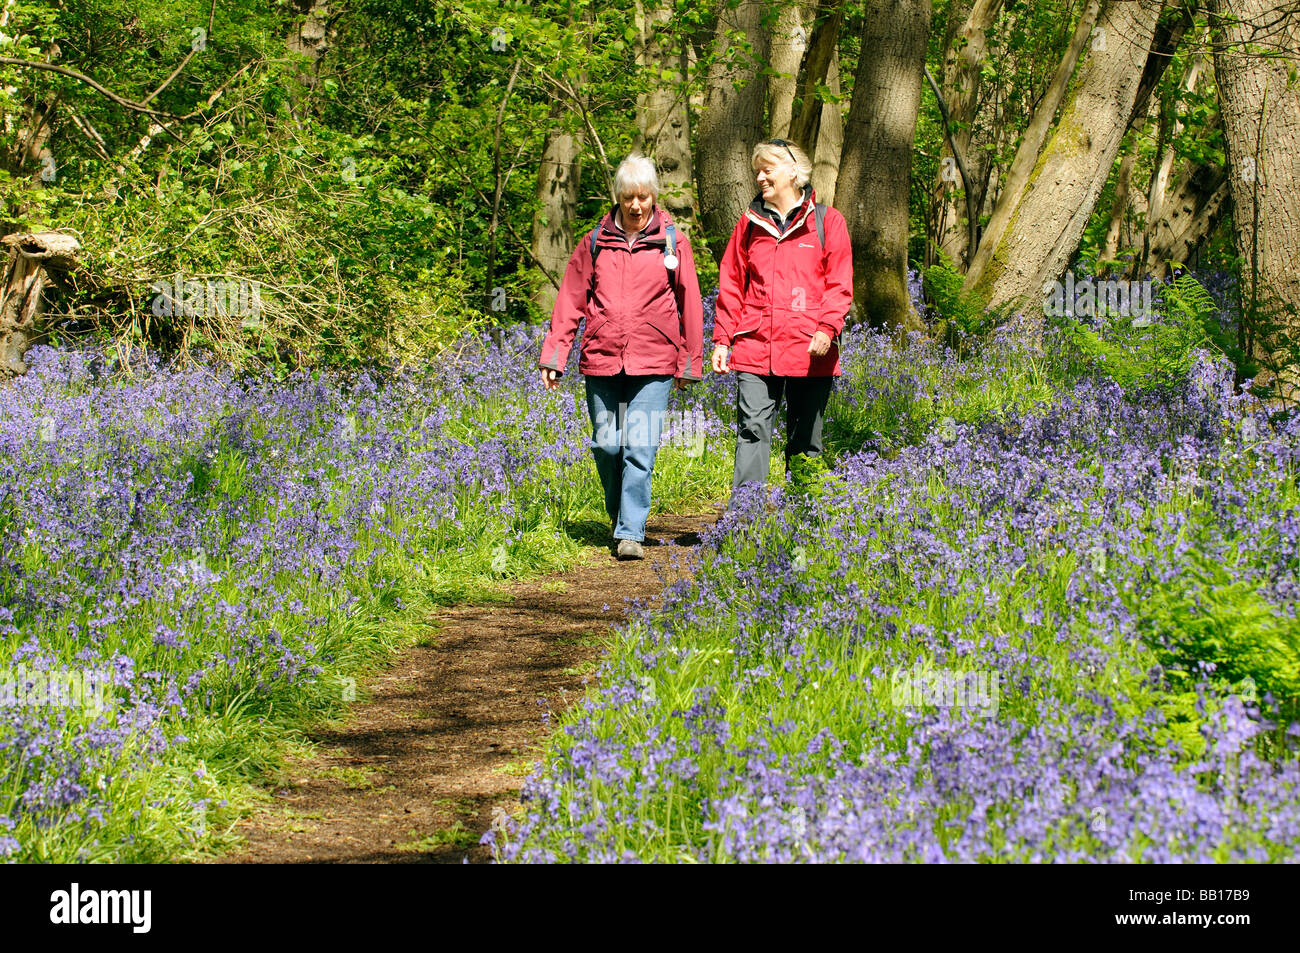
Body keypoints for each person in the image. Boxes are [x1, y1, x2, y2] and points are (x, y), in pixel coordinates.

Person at [539, 154, 704, 559]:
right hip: (602, 358)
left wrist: (689, 361)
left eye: (643, 197)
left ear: (653, 197)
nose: (635, 206)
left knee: (640, 446)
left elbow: (691, 302)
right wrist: (555, 354)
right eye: (628, 197)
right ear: (617, 197)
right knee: (607, 446)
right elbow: (570, 299)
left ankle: (630, 530)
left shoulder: (672, 240)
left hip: (654, 361)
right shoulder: (595, 241)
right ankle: (620, 517)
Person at [711, 138, 853, 508]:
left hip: (811, 349)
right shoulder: (749, 224)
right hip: (755, 346)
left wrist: (827, 328)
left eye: (767, 169)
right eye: (757, 169)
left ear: (794, 171)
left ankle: (803, 517)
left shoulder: (828, 222)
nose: (760, 176)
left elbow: (839, 284)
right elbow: (731, 282)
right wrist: (723, 338)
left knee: (805, 439)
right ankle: (745, 520)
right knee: (753, 430)